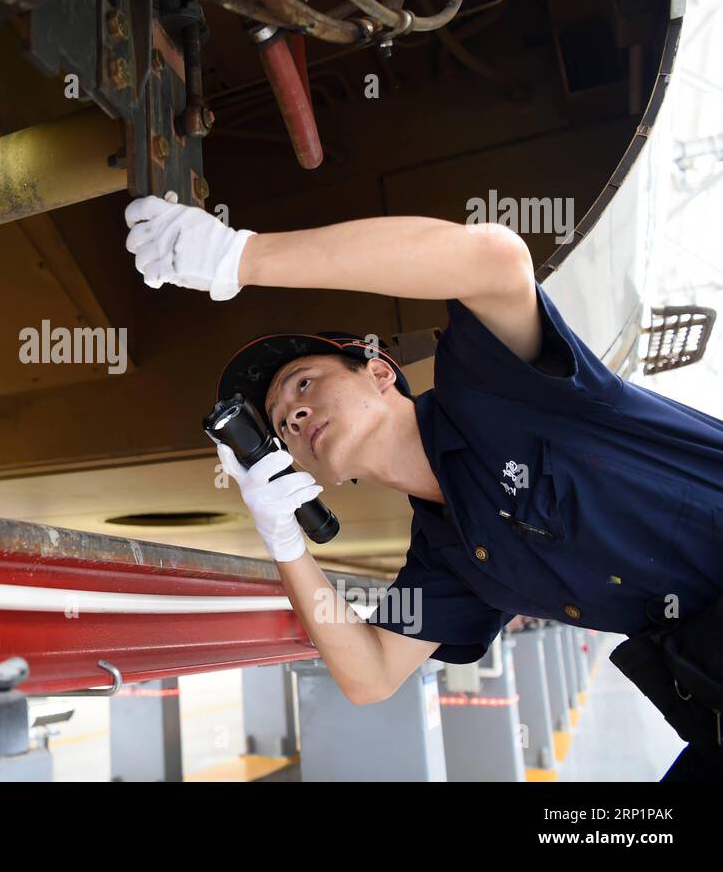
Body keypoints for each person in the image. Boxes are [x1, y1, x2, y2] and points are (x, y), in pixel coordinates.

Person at [124, 195, 723, 780]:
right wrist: (283, 541)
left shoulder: (496, 389)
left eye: (303, 385)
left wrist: (244, 258)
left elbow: (495, 261)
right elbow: (372, 676)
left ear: (381, 372)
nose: (295, 417)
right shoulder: (451, 556)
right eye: (283, 424)